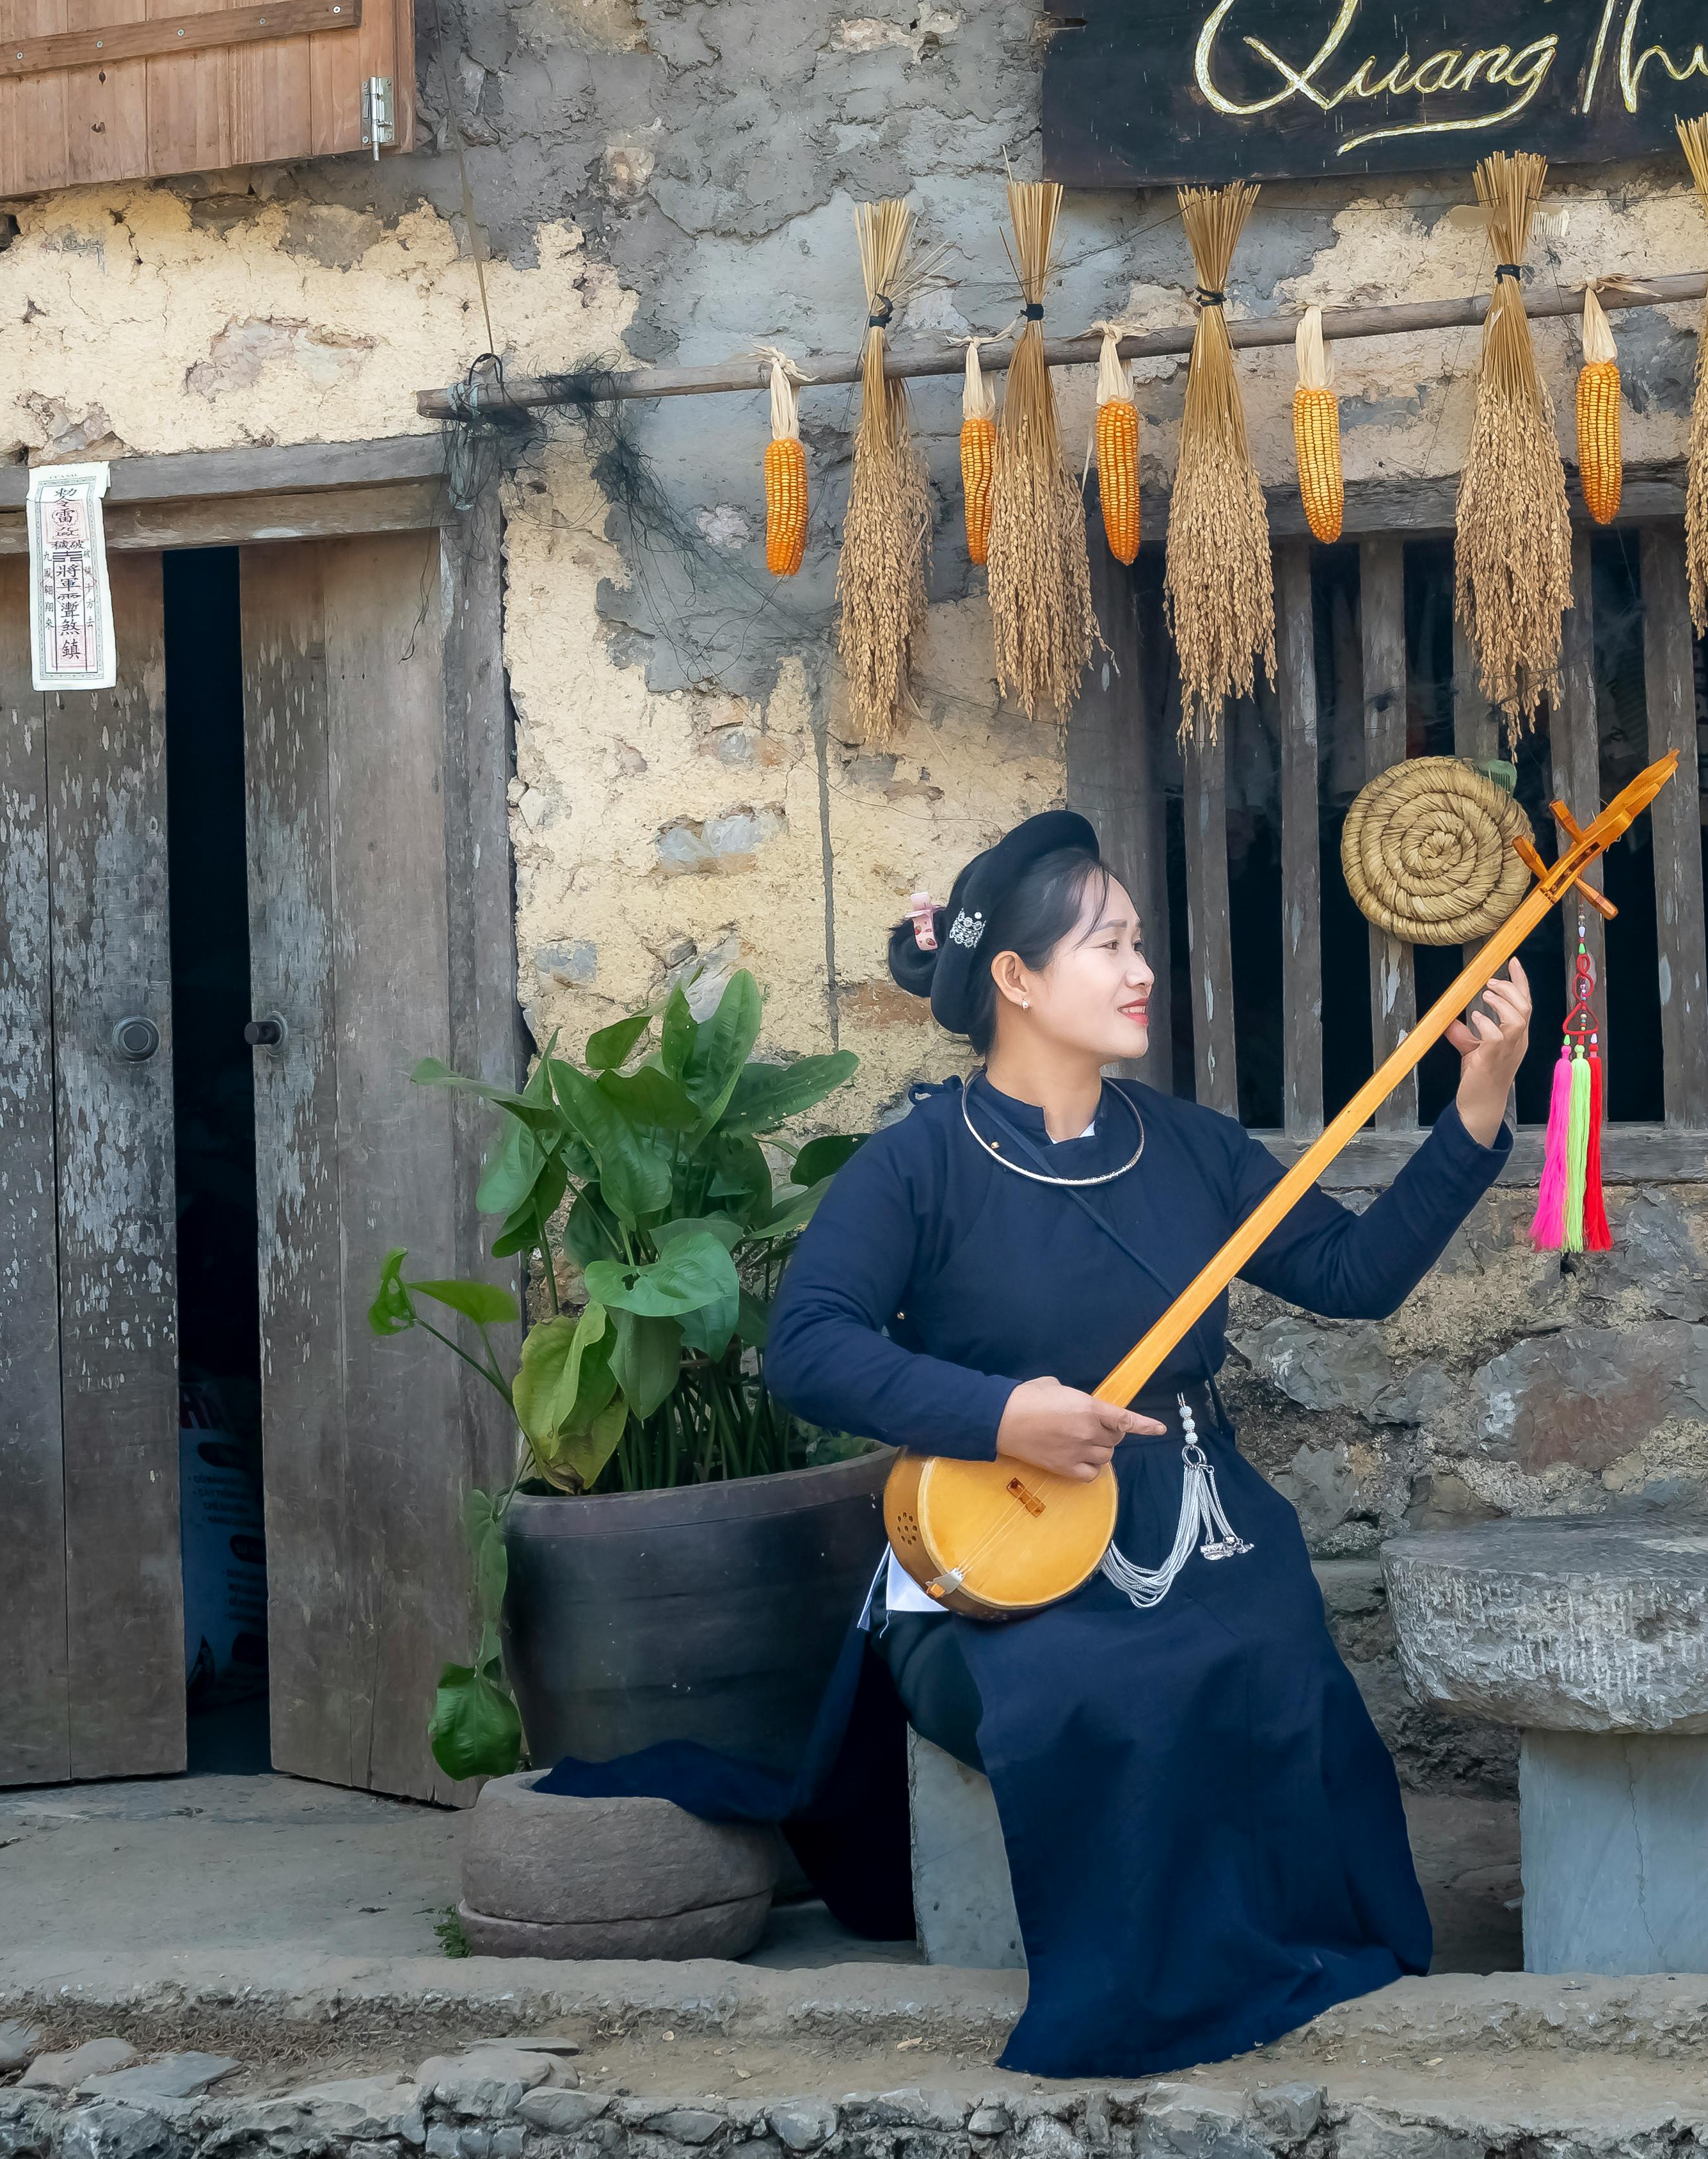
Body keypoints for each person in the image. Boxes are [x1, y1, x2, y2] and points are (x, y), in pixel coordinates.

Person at [538, 808, 1533, 2078]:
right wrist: (1005, 1412)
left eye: (1137, 942)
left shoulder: (1188, 1146)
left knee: (1281, 1679)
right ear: (1015, 976)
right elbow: (809, 1345)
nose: (1142, 970)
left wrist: (1479, 1106)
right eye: (1109, 943)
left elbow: (1355, 1273)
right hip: (998, 1568)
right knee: (1102, 1694)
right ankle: (1141, 1988)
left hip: (1204, 1529)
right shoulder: (917, 1164)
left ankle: (1286, 1946)